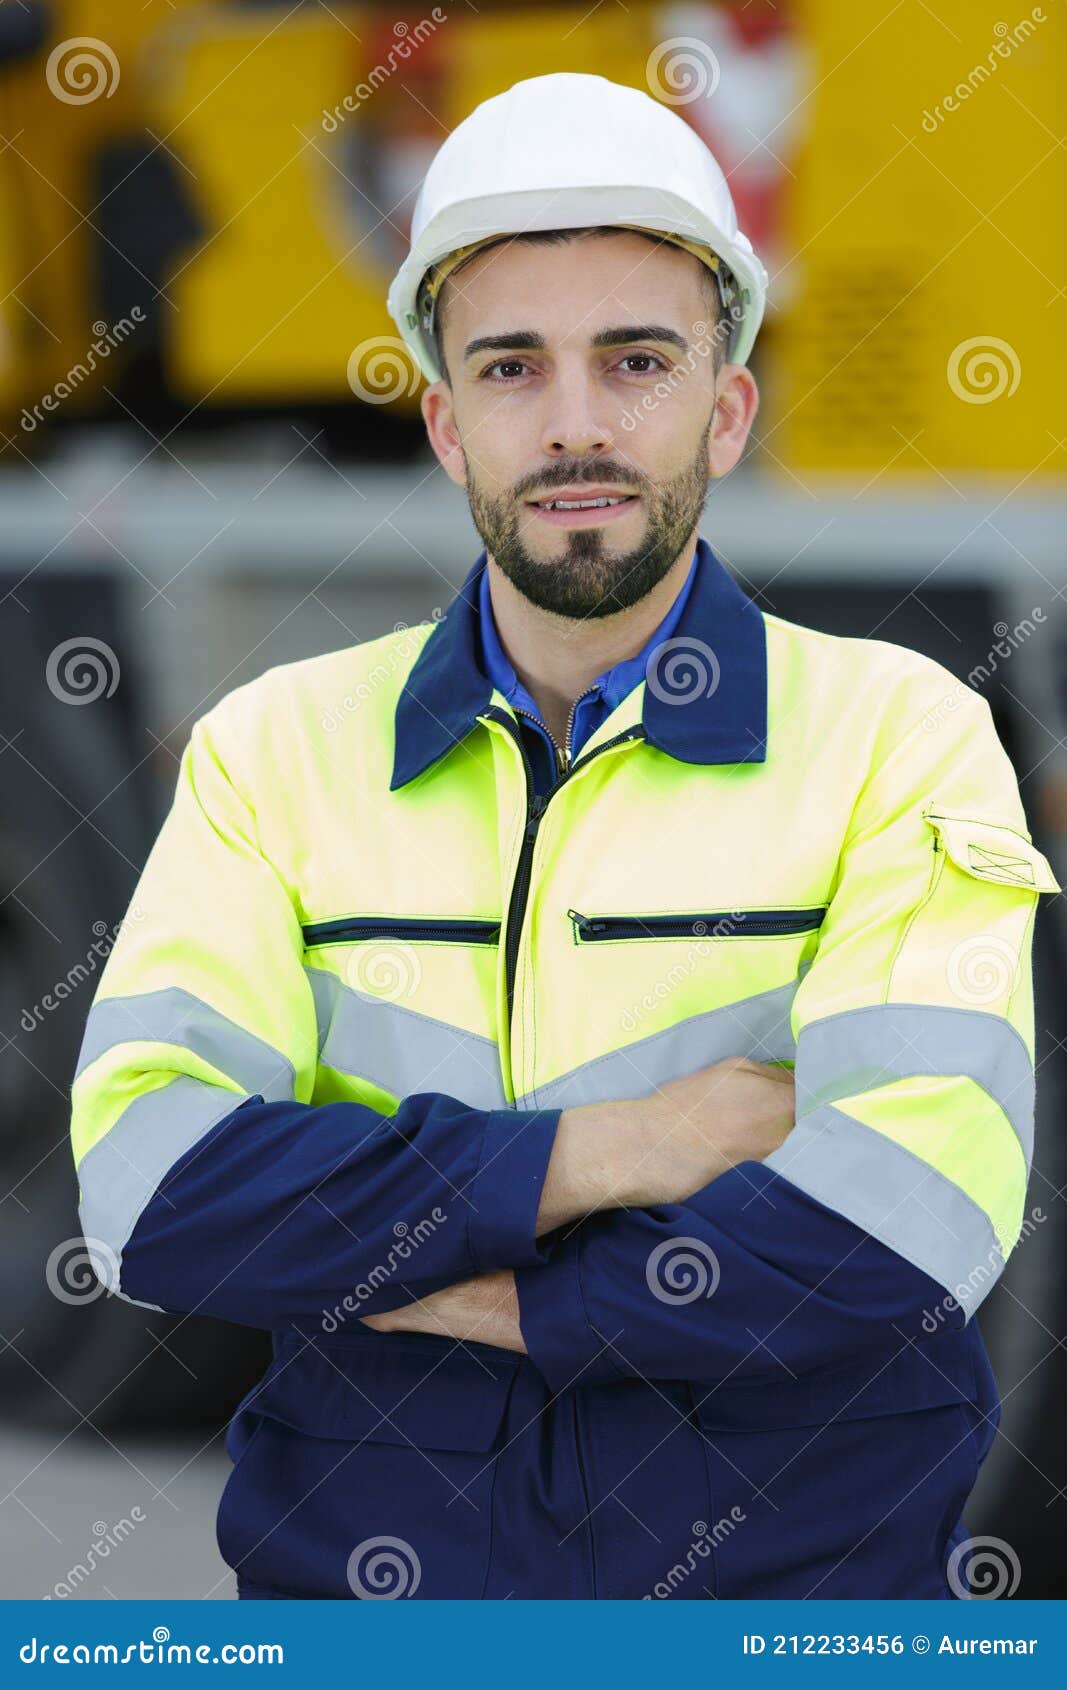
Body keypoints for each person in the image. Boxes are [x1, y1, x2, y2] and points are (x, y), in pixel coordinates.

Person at [69, 72, 1059, 1601]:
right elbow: (154, 1198)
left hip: (791, 1609)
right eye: (515, 369)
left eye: (637, 362)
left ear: (724, 412)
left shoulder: (898, 736)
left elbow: (907, 1226)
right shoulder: (279, 752)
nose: (579, 424)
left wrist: (470, 1289)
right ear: (447, 425)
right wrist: (620, 1149)